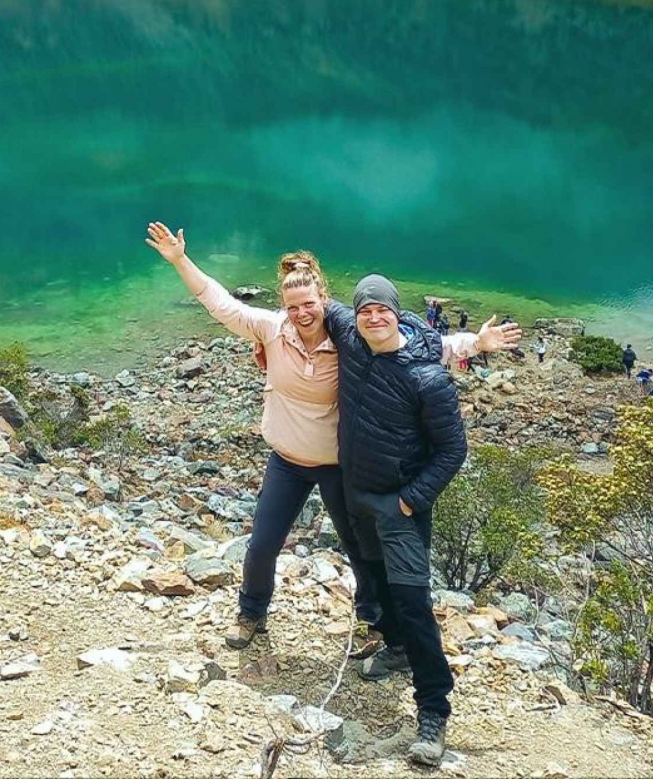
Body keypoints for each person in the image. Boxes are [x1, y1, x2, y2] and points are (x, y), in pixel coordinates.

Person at [144, 223, 519, 655]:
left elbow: (418, 347)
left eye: (309, 304)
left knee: (362, 550)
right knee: (263, 543)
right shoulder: (271, 329)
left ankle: (372, 621)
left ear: (324, 300)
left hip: (339, 465)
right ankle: (251, 613)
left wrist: (477, 342)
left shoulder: (350, 338)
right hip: (287, 460)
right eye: (292, 305)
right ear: (283, 305)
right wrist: (180, 260)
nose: (301, 313)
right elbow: (220, 304)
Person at [324, 274, 470, 767]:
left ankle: (433, 711)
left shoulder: (428, 377)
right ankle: (395, 649)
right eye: (366, 311)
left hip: (400, 506)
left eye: (382, 310)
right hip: (357, 496)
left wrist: (411, 500)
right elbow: (310, 304)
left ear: (397, 312)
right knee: (375, 581)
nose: (373, 318)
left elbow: (453, 450)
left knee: (412, 602)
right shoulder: (350, 335)